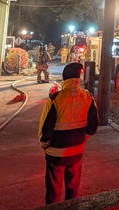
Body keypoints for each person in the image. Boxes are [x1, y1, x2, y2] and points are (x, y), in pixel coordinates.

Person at [38, 63, 99, 204]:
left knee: (53, 192)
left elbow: (45, 129)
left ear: (64, 78)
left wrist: (45, 145)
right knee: (73, 192)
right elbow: (93, 125)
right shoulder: (87, 97)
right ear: (78, 78)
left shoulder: (55, 99)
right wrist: (82, 140)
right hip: (77, 152)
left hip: (56, 154)